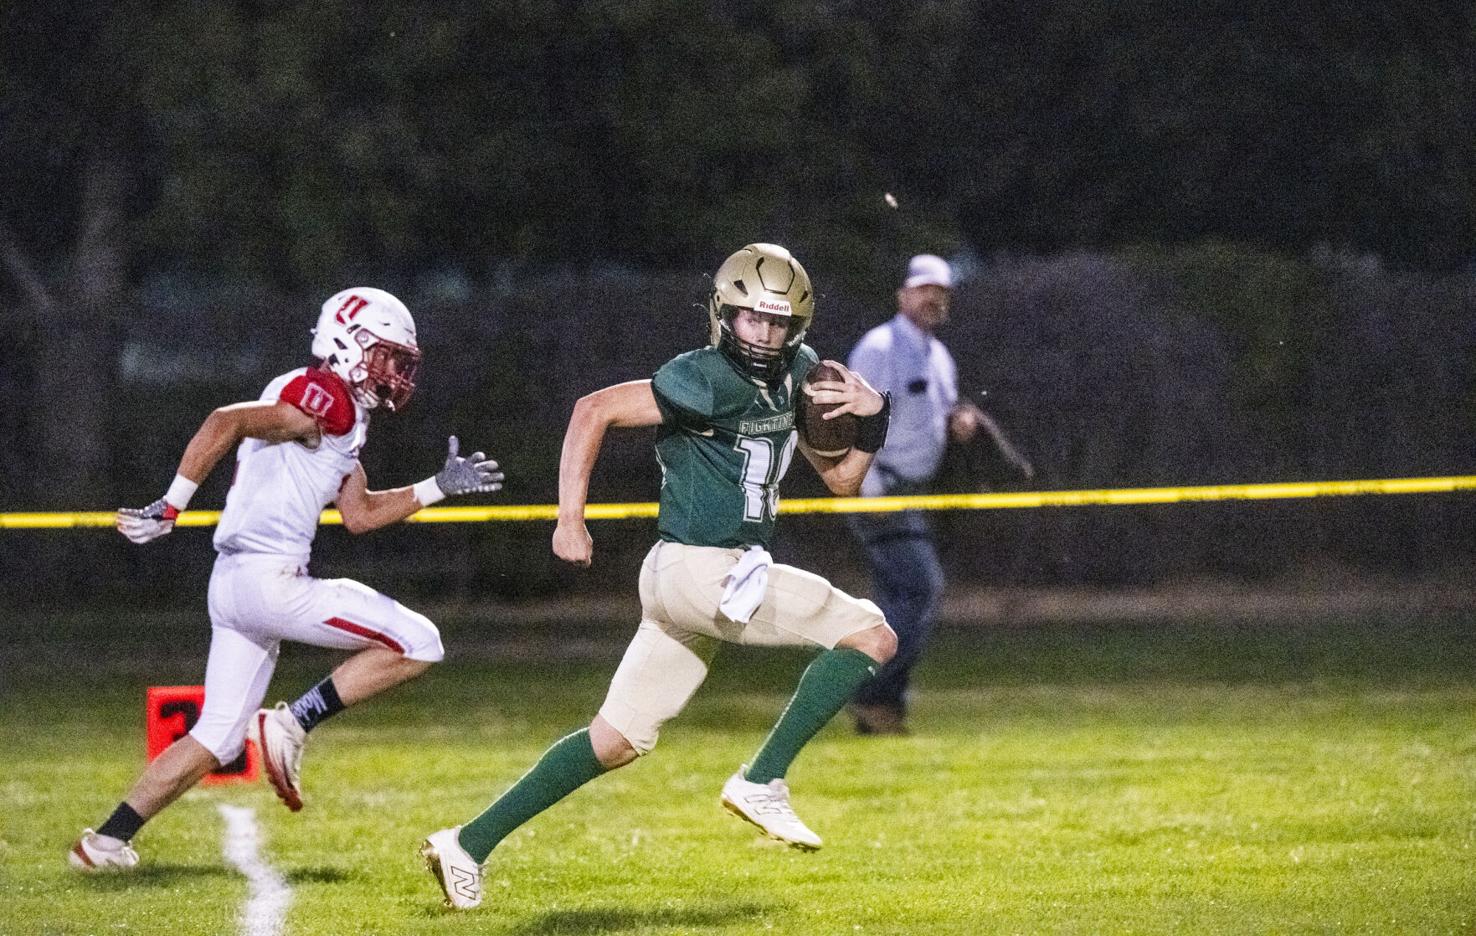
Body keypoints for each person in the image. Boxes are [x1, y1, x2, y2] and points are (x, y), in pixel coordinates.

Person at [421, 243, 897, 910]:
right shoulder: (701, 377)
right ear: (724, 315)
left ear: (797, 327)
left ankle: (465, 844)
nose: (762, 335)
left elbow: (845, 482)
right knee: (871, 635)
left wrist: (876, 420)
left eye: (777, 323)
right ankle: (762, 780)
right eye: (750, 319)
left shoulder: (803, 375)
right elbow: (594, 410)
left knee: (614, 741)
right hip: (702, 567)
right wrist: (569, 519)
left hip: (703, 579)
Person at [69, 287, 504, 872]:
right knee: (420, 641)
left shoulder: (333, 410)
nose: (395, 372)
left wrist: (436, 487)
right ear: (349, 342)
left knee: (220, 736)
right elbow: (225, 420)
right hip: (270, 582)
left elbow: (360, 514)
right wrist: (170, 506)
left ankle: (104, 842)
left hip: (232, 585)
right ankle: (294, 719)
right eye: (385, 355)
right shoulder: (326, 397)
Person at [845, 255, 1033, 736]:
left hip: (916, 494)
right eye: (925, 289)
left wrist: (962, 422)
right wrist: (864, 487)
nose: (934, 298)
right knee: (923, 589)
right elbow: (846, 416)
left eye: (942, 291)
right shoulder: (880, 346)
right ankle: (871, 695)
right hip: (881, 491)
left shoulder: (938, 355)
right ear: (902, 295)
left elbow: (940, 415)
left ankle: (880, 706)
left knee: (896, 603)